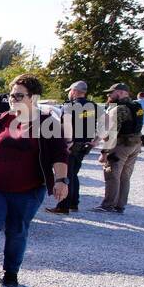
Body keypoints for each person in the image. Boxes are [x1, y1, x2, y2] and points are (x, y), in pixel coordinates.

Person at [0, 74, 69, 286]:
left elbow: (60, 154)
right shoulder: (1, 120)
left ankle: (11, 272)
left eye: (19, 95)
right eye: (11, 95)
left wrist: (61, 180)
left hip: (28, 191)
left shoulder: (47, 122)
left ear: (33, 98)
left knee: (17, 231)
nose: (13, 99)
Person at [45, 80, 99, 214]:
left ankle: (63, 206)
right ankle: (74, 203)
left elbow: (66, 125)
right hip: (85, 145)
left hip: (72, 144)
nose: (69, 93)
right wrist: (95, 140)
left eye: (70, 91)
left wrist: (67, 144)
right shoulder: (93, 106)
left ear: (74, 91)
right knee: (74, 174)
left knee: (66, 176)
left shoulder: (70, 106)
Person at [95, 83, 144, 213]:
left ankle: (108, 205)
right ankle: (120, 205)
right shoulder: (137, 106)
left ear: (121, 92)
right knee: (125, 176)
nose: (109, 95)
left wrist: (104, 152)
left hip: (121, 145)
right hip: (135, 144)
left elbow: (112, 132)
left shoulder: (119, 109)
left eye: (111, 92)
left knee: (112, 175)